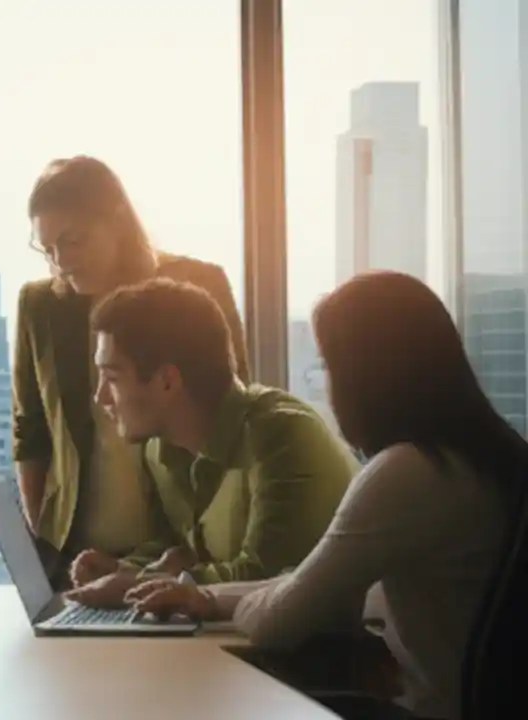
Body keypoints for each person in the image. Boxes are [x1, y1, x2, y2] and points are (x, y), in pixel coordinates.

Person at [126, 272, 528, 720]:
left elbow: (280, 620)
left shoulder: (406, 473)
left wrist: (237, 599)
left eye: (328, 367)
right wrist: (206, 597)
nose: (327, 387)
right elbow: (314, 587)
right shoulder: (479, 459)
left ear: (365, 376)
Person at [13, 156, 251, 586]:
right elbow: (30, 429)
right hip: (73, 555)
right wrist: (42, 533)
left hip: (179, 547)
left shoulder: (197, 285)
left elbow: (234, 408)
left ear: (117, 220)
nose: (61, 261)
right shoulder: (40, 305)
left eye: (73, 241)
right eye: (48, 249)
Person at [64, 278, 356, 608]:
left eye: (112, 378)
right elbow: (179, 550)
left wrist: (138, 584)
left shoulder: (281, 436)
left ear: (167, 381)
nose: (100, 397)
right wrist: (124, 569)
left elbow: (266, 579)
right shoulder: (159, 450)